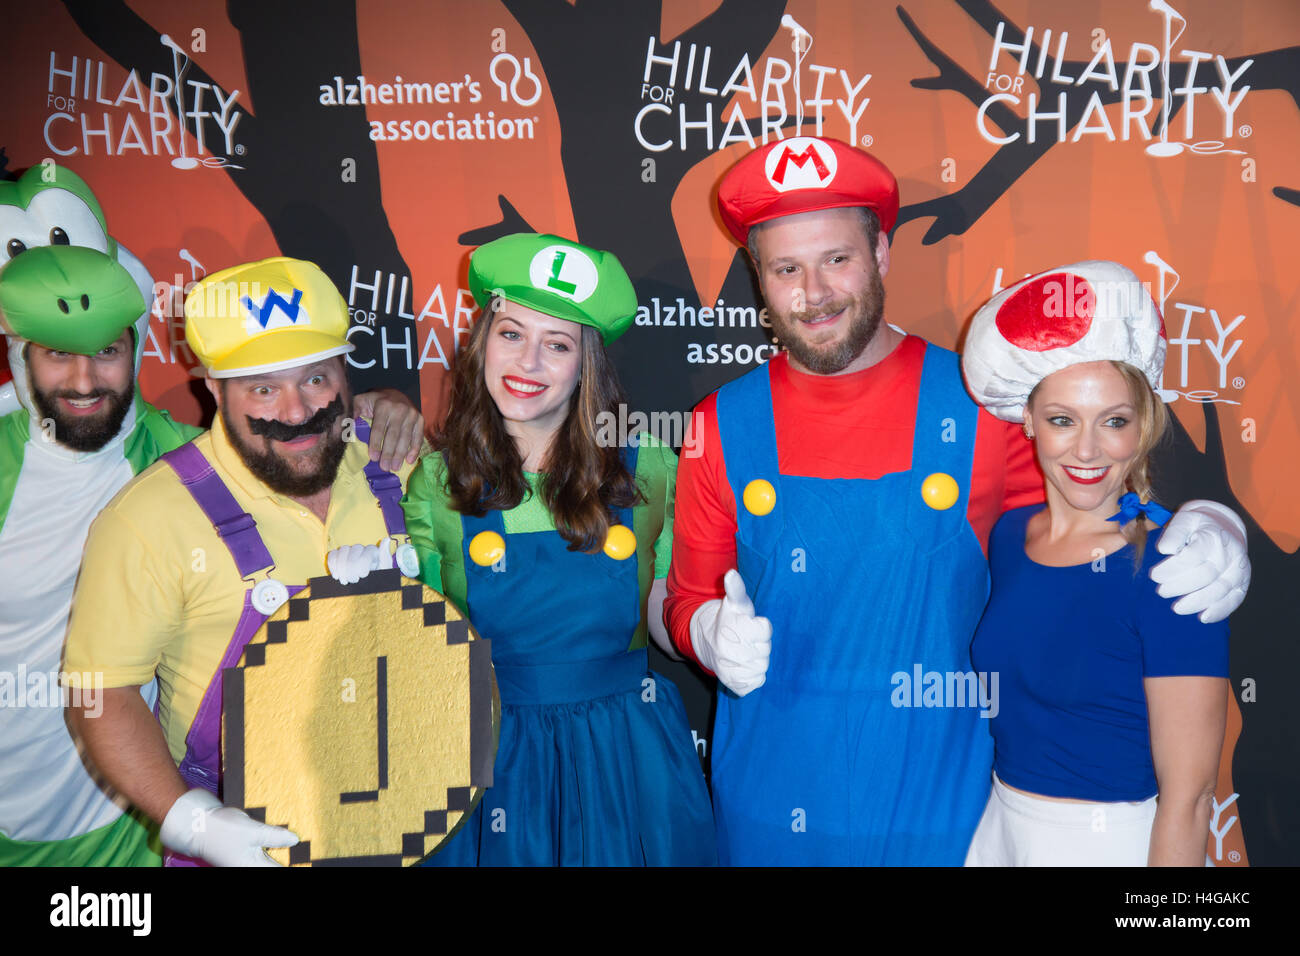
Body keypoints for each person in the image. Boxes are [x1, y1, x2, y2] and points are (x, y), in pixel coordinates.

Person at [663, 135, 1251, 865]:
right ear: (758, 275)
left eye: (837, 259)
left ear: (880, 256)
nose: (812, 294)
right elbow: (686, 598)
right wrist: (705, 631)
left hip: (948, 821)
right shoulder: (718, 425)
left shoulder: (980, 406)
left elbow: (1076, 530)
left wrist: (1200, 523)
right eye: (786, 268)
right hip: (766, 817)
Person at [61, 256, 424, 867]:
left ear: (346, 370)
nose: (295, 410)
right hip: (240, 836)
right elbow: (101, 692)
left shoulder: (399, 466)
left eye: (315, 378)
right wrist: (190, 822)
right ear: (214, 389)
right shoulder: (148, 517)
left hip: (402, 823)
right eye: (262, 387)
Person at [395, 233, 716, 866]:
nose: (529, 362)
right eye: (511, 333)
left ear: (585, 364)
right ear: (483, 339)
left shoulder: (649, 463)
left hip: (625, 754)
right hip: (489, 761)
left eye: (558, 344)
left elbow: (660, 611)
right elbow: (428, 648)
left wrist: (706, 629)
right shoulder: (433, 482)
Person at [961, 260, 1229, 866]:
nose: (1086, 449)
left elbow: (1190, 800)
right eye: (1062, 420)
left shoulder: (1175, 568)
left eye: (1113, 421)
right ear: (1027, 420)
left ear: (1143, 426)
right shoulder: (1009, 536)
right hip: (1000, 830)